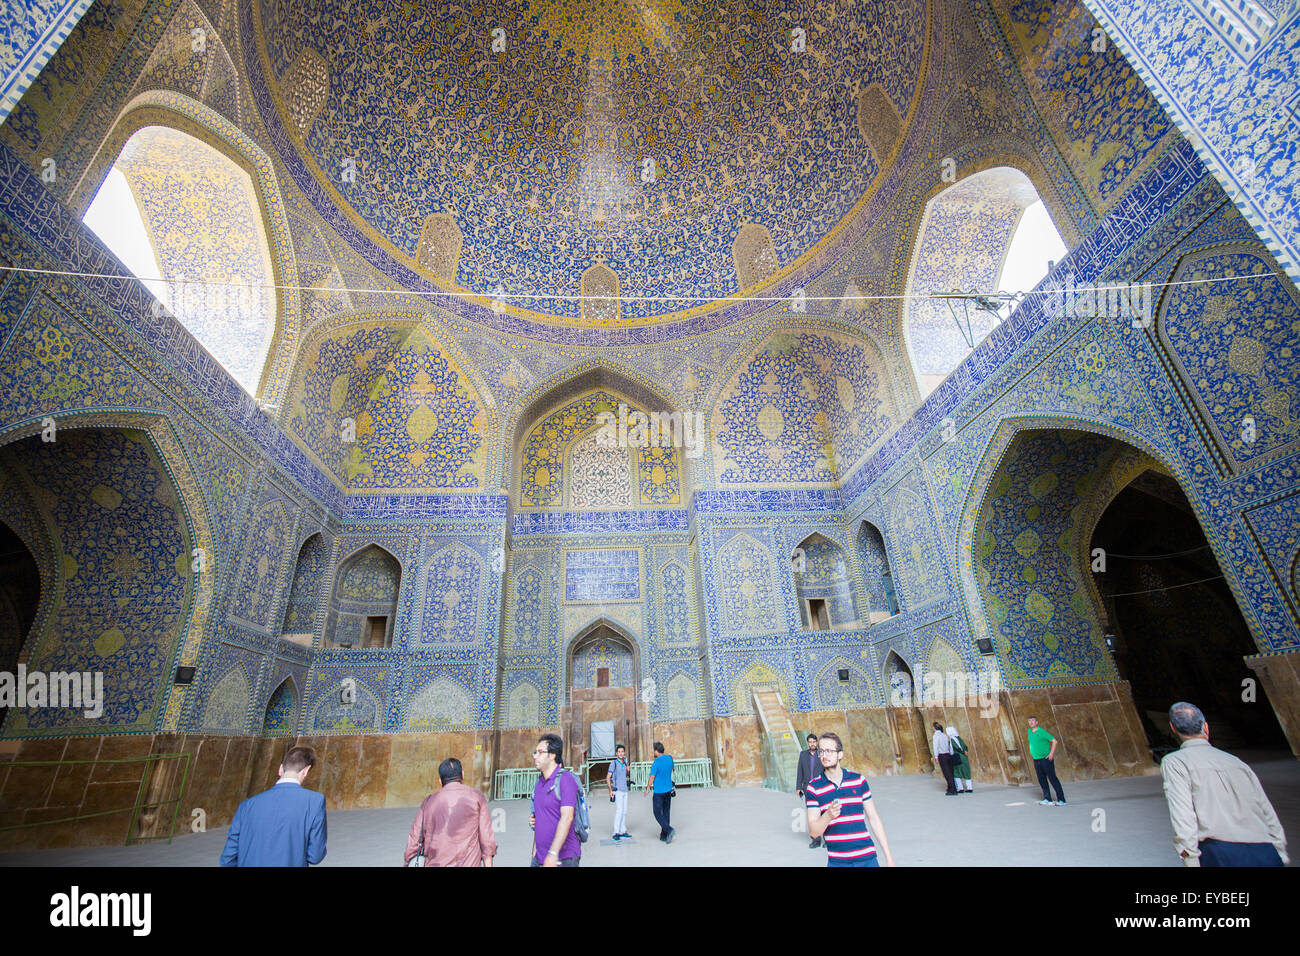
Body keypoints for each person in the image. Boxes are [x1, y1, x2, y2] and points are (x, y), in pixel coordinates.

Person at [1160, 701, 1288, 867]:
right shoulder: (1237, 762)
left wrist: (1190, 858)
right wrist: (1279, 850)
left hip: (1220, 852)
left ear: (1173, 728)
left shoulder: (1175, 763)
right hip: (1265, 850)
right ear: (1206, 727)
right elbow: (1266, 809)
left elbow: (1183, 814)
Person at [220, 745, 326, 867]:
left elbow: (228, 856)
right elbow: (315, 856)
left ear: (280, 769)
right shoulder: (314, 801)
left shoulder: (247, 805)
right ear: (306, 771)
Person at [805, 732, 896, 867]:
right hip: (838, 861)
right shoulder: (814, 787)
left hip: (867, 858)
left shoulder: (858, 781)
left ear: (840, 754)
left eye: (829, 751)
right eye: (822, 751)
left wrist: (889, 858)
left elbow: (874, 819)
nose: (824, 755)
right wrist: (828, 816)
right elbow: (814, 832)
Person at [403, 757, 496, 867]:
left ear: (440, 780)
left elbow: (414, 841)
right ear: (462, 774)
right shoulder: (476, 797)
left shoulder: (428, 803)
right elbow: (487, 841)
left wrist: (408, 862)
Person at [530, 733, 581, 866]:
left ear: (552, 755)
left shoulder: (566, 779)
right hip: (540, 857)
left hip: (563, 857)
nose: (535, 756)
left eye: (540, 752)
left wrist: (553, 853)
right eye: (535, 752)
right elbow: (539, 820)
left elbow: (567, 817)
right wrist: (534, 852)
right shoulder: (539, 783)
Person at [1026, 716, 1066, 805]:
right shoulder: (1029, 732)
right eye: (1029, 721)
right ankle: (1047, 798)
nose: (1031, 722)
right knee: (1042, 779)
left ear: (1037, 722)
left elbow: (1054, 741)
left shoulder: (1042, 732)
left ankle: (1062, 800)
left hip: (1046, 759)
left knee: (1052, 778)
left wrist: (1051, 754)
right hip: (1036, 759)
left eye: (1033, 721)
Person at [795, 732, 822, 848]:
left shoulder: (822, 754)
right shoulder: (803, 755)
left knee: (824, 813)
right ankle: (815, 839)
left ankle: (828, 839)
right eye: (810, 742)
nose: (812, 744)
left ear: (817, 743)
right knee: (812, 815)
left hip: (821, 787)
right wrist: (798, 787)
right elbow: (799, 772)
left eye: (814, 742)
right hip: (808, 789)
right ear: (808, 743)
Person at [645, 741, 675, 843]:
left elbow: (652, 776)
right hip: (668, 789)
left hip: (659, 791)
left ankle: (669, 830)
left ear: (656, 751)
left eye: (654, 750)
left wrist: (648, 788)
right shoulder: (669, 758)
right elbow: (672, 770)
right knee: (666, 812)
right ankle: (663, 835)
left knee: (657, 812)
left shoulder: (656, 762)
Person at [607, 743, 630, 841]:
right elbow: (608, 777)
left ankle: (622, 831)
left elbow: (626, 775)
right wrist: (610, 790)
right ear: (616, 753)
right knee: (619, 811)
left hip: (625, 789)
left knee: (624, 812)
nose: (621, 753)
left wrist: (628, 770)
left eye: (622, 752)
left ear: (624, 753)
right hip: (618, 790)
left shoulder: (625, 763)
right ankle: (616, 832)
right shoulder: (614, 763)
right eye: (619, 752)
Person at [932, 721, 957, 795]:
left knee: (947, 773)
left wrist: (936, 757)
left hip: (942, 756)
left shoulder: (936, 736)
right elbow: (948, 745)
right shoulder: (944, 735)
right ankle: (951, 788)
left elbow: (935, 747)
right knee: (950, 772)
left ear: (934, 728)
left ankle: (952, 790)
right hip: (948, 754)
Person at [947, 725, 973, 793]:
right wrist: (965, 751)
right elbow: (964, 746)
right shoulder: (959, 738)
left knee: (956, 773)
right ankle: (969, 788)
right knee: (966, 772)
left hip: (958, 757)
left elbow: (957, 748)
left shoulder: (953, 740)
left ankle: (960, 788)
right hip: (964, 757)